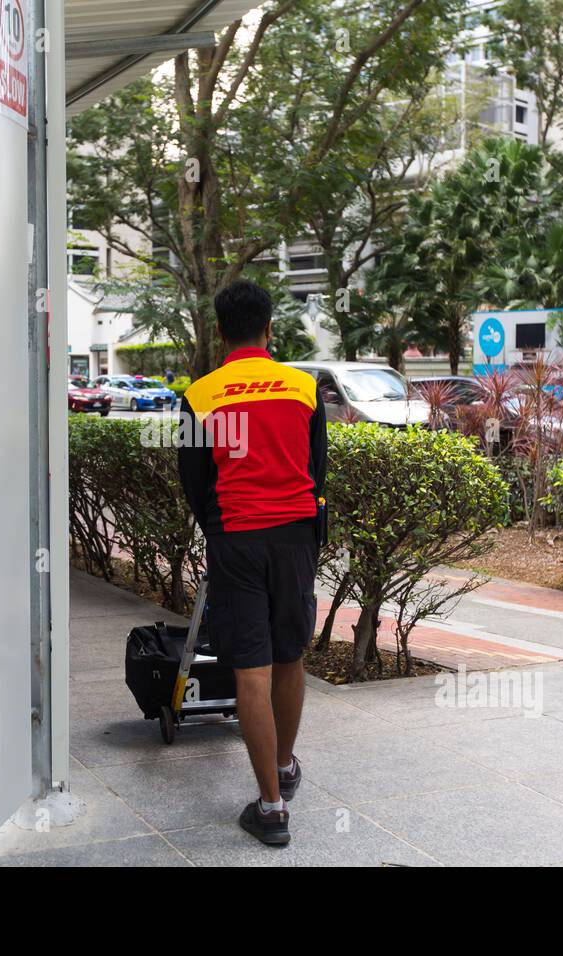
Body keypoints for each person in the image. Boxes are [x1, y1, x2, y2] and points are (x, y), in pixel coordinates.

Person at [176, 280, 326, 847]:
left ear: (219, 333)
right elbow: (317, 473)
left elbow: (194, 480)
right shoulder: (303, 387)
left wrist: (221, 528)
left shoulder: (201, 395)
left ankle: (270, 807)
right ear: (269, 329)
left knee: (251, 673)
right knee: (290, 656)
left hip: (236, 539)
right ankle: (284, 768)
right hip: (294, 541)